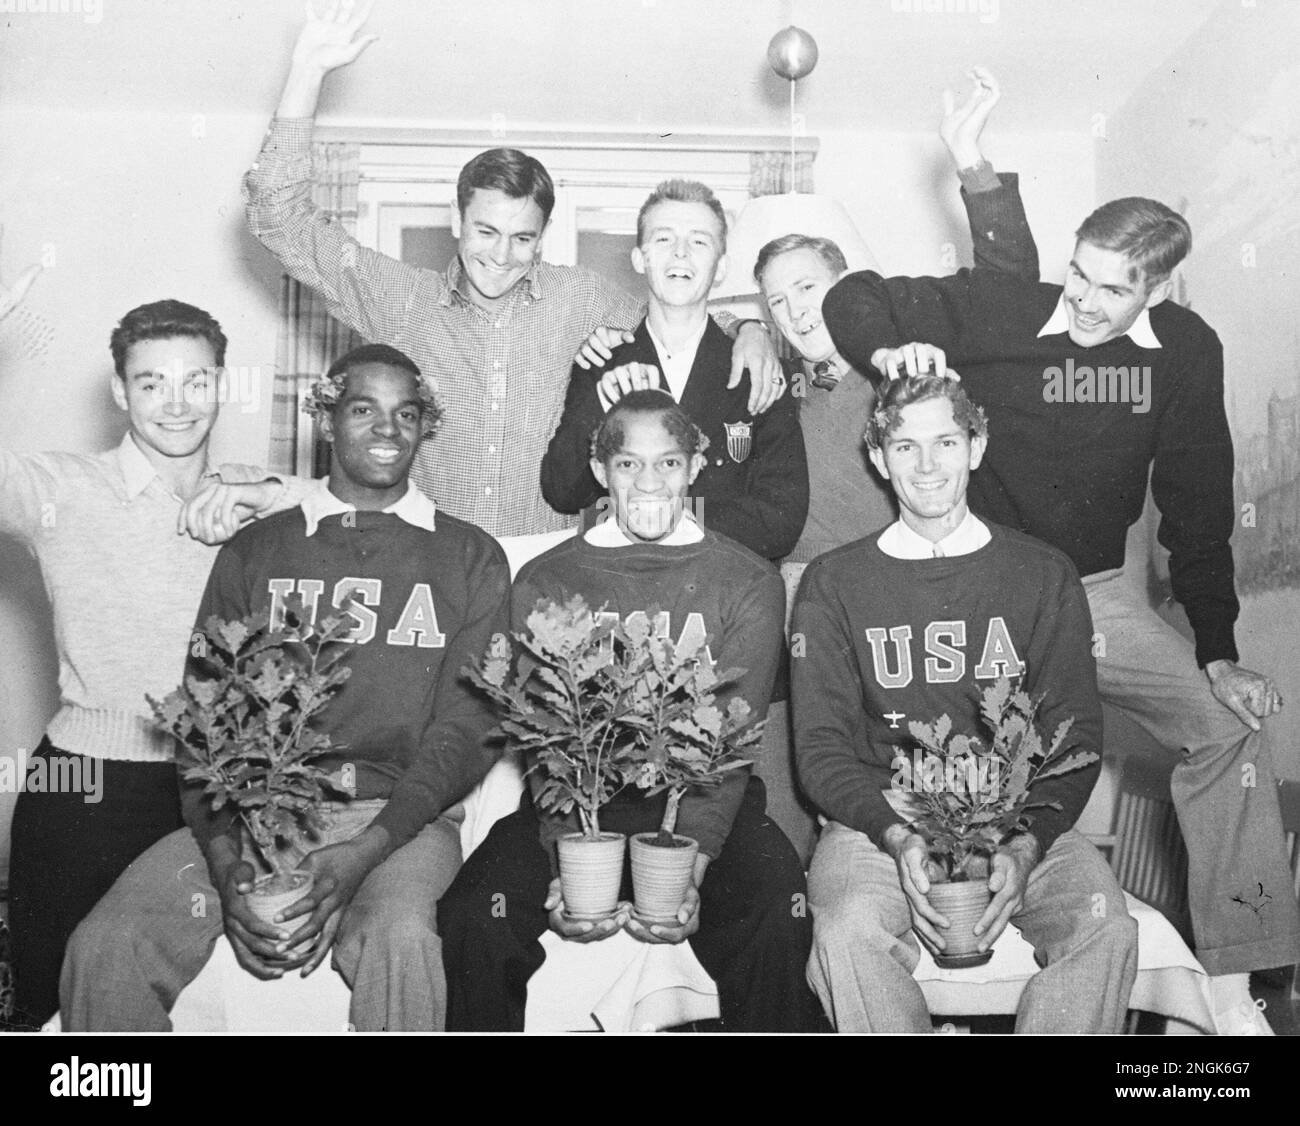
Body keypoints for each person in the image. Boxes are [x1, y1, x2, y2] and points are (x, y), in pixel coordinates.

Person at [823, 186, 1300, 1035]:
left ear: (1156, 291)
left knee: (1227, 729)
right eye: (1076, 274)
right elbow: (849, 294)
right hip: (983, 590)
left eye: (1111, 290)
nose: (1080, 299)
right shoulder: (1009, 308)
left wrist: (1218, 649)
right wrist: (888, 347)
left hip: (1094, 591)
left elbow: (1195, 504)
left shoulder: (1186, 353)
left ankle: (1232, 986)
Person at [60, 343, 512, 1032]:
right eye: (363, 409)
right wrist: (220, 855)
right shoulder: (259, 547)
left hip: (396, 818)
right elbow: (204, 720)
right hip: (253, 817)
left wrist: (369, 848)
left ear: (425, 428)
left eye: (407, 413)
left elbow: (466, 731)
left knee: (404, 940)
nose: (387, 429)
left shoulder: (470, 556)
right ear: (326, 420)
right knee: (104, 945)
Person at [243, 0, 780, 539]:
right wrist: (306, 73)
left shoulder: (581, 298)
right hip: (436, 556)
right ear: (457, 218)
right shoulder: (401, 299)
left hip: (546, 562)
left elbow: (676, 318)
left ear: (542, 237)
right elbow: (279, 217)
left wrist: (748, 329)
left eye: (522, 238)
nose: (501, 256)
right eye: (486, 232)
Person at [439, 389, 823, 1031]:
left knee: (777, 911)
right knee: (477, 917)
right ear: (600, 471)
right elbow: (547, 745)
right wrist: (569, 857)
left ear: (696, 466)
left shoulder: (746, 578)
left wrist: (689, 865)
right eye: (628, 466)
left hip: (699, 797)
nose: (649, 482)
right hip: (572, 800)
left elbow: (729, 744)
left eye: (669, 463)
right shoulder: (546, 576)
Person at [793, 373, 1138, 1033]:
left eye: (946, 442)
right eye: (904, 447)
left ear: (976, 447)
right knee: (845, 932)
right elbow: (819, 749)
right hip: (879, 821)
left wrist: (1028, 845)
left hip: (1016, 815)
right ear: (877, 458)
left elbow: (1075, 738)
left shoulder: (1043, 573)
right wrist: (895, 838)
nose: (926, 466)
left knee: (1107, 928)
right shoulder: (833, 583)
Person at [2, 299, 307, 1027]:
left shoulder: (258, 501)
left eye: (195, 382)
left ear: (223, 385)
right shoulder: (62, 489)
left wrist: (264, 491)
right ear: (119, 391)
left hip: (220, 788)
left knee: (212, 1000)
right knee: (53, 1005)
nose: (176, 405)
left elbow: (361, 509)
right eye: (150, 384)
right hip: (84, 782)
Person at [755, 67, 1038, 567]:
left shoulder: (907, 367)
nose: (794, 311)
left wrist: (969, 159)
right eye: (776, 302)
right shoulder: (775, 385)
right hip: (802, 582)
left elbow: (1010, 292)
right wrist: (745, 330)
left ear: (845, 291)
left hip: (903, 576)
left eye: (806, 288)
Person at [540, 180, 808, 561]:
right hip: (624, 586)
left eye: (699, 241)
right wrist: (600, 405)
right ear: (639, 258)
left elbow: (781, 522)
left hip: (725, 588)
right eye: (664, 239)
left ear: (721, 268)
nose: (681, 253)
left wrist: (659, 520)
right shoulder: (601, 362)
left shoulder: (759, 369)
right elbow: (562, 492)